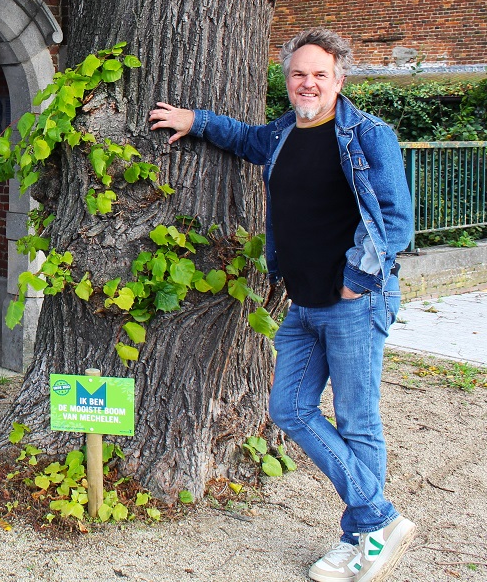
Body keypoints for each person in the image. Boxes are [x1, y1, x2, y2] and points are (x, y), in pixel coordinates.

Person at [148, 28, 415, 582]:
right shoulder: (284, 133)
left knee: (358, 420)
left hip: (354, 303)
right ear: (288, 80)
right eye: (298, 74)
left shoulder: (369, 135)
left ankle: (362, 539)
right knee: (289, 410)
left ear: (339, 79)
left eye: (319, 74)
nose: (308, 83)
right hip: (302, 303)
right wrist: (196, 120)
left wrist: (354, 282)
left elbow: (395, 221)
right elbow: (245, 138)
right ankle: (378, 520)